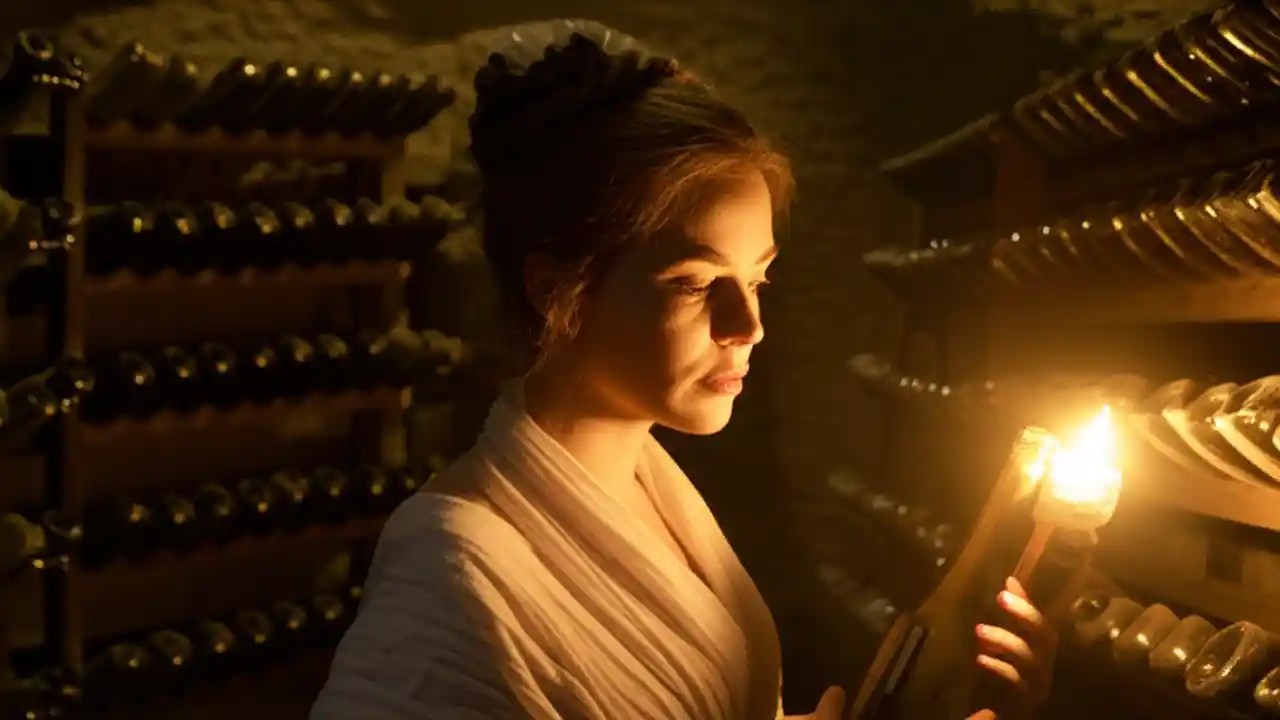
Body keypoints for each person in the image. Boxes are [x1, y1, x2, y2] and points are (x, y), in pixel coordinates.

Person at [311, 27, 1056, 720]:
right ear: (557, 288)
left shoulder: (646, 490)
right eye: (696, 283)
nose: (748, 326)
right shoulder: (451, 576)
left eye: (757, 279)